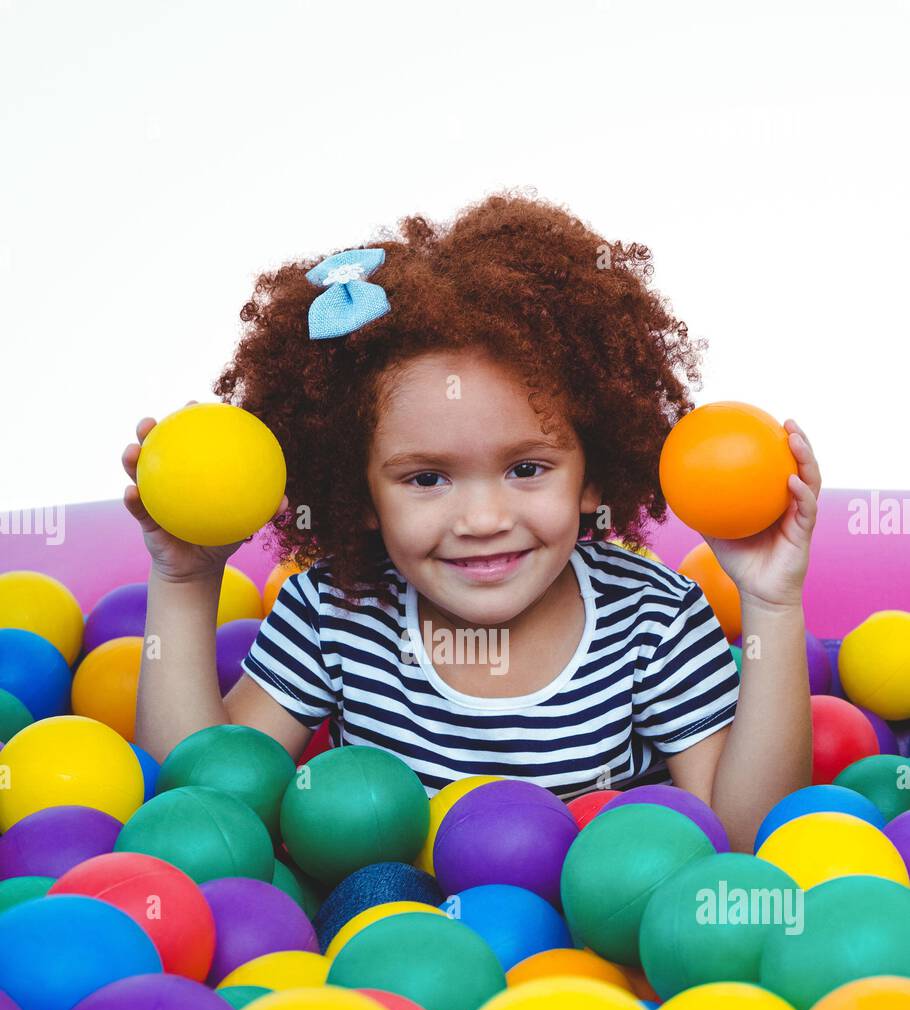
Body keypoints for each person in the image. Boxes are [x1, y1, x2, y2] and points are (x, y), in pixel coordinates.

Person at [123, 190, 820, 851]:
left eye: (526, 469)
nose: (484, 518)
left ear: (594, 474)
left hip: (601, 958)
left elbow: (747, 833)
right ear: (359, 493)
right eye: (427, 479)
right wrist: (185, 578)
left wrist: (770, 601)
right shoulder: (334, 612)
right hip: (379, 942)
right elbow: (197, 806)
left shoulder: (651, 618)